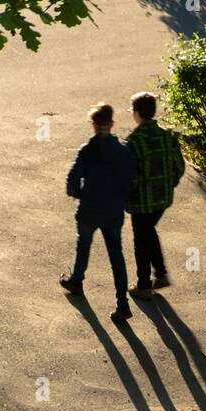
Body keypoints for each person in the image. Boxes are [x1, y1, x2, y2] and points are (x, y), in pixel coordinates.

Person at [60, 102, 135, 324]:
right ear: (112, 124)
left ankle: (76, 280)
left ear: (93, 125)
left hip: (89, 209)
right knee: (116, 256)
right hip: (113, 211)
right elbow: (130, 180)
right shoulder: (123, 152)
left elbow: (71, 181)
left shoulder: (87, 151)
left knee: (83, 244)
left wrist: (79, 193)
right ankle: (122, 304)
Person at [124, 91, 185, 299]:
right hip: (164, 198)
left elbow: (130, 176)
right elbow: (179, 166)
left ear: (137, 113)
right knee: (148, 231)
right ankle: (160, 273)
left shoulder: (134, 141)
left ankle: (143, 285)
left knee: (141, 239)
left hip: (142, 201)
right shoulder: (167, 136)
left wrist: (125, 197)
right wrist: (170, 183)